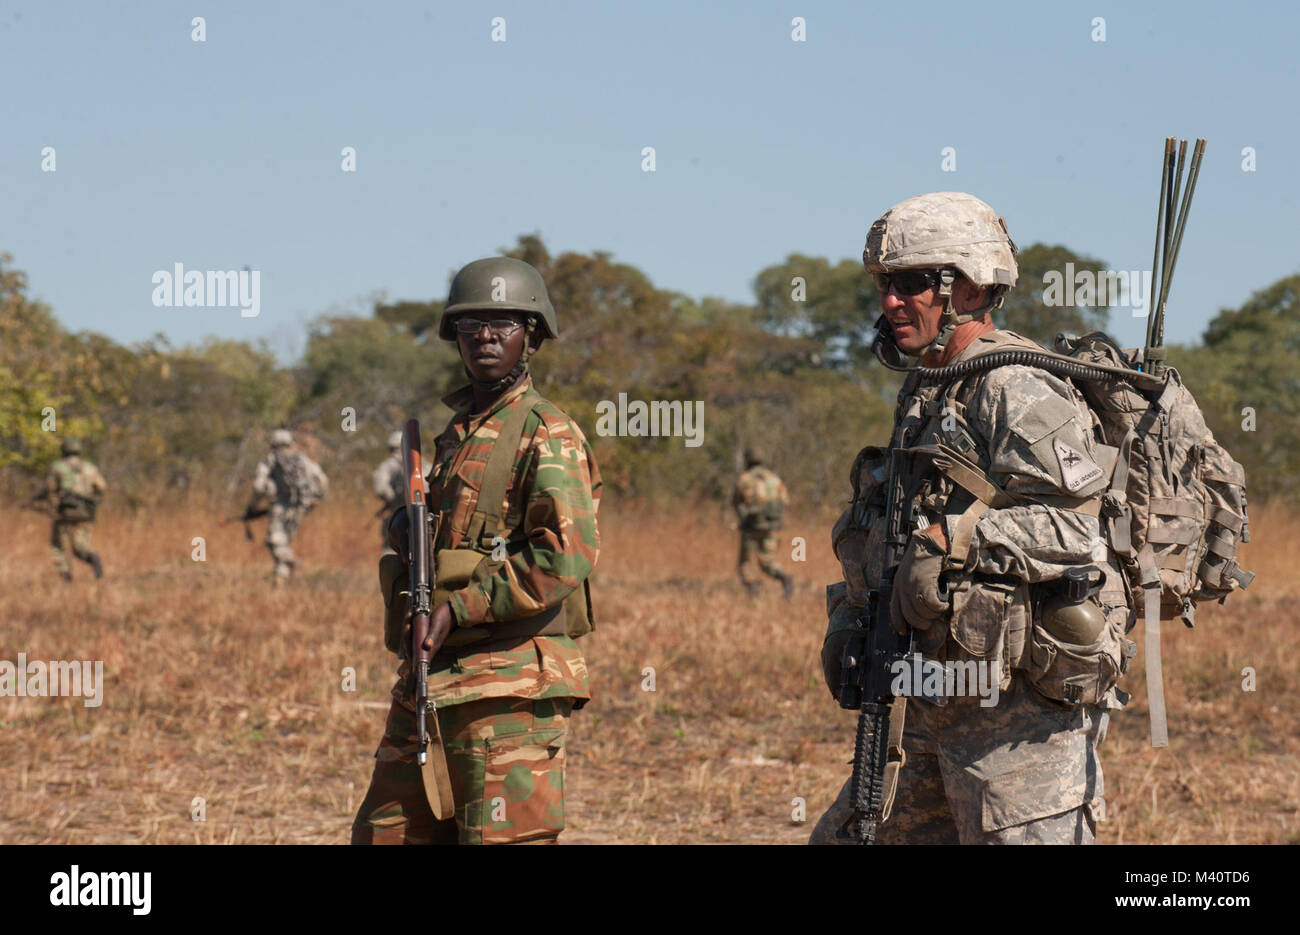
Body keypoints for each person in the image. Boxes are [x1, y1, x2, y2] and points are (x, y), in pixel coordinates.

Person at [810, 192, 1130, 845]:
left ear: (972, 285)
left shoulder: (1016, 383)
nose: (891, 302)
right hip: (930, 694)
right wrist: (852, 614)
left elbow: (1077, 532)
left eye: (912, 283)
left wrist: (953, 538)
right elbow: (900, 525)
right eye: (884, 284)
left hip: (1017, 721)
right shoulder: (928, 385)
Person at [352, 256, 602, 846]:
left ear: (532, 335)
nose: (485, 337)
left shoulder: (548, 431)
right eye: (471, 326)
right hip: (431, 679)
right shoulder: (457, 434)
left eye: (503, 324)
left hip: (509, 686)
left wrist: (457, 608)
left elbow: (564, 556)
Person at [248, 429, 328, 583]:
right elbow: (322, 479)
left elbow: (258, 487)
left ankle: (293, 561)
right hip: (301, 507)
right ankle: (280, 580)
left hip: (280, 507)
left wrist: (253, 506)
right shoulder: (302, 459)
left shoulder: (271, 460)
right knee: (283, 540)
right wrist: (317, 498)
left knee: (274, 542)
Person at [34, 437, 106, 581]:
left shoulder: (58, 467)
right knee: (81, 546)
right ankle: (92, 557)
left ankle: (66, 577)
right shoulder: (90, 468)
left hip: (64, 513)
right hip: (85, 513)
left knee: (59, 546)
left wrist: (44, 502)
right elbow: (101, 487)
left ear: (64, 450)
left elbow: (50, 489)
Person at [733, 448, 793, 598]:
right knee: (767, 563)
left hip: (751, 528)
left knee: (745, 564)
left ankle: (753, 594)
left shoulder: (744, 479)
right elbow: (785, 501)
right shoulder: (774, 479)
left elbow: (736, 502)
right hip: (771, 527)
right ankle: (785, 579)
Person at [373, 430, 405, 548]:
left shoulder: (388, 465)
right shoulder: (423, 464)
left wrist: (392, 498)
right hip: (422, 515)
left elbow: (380, 488)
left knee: (390, 551)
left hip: (396, 515)